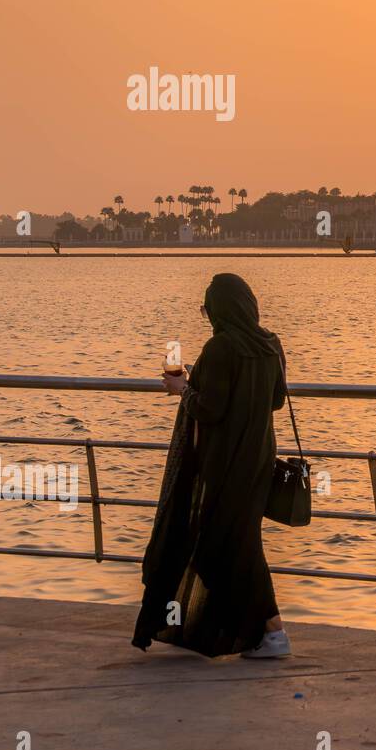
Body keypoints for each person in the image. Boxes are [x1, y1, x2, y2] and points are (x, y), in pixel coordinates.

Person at [132, 272, 292, 658]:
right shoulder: (271, 344)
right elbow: (276, 401)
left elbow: (210, 408)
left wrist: (183, 388)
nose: (206, 316)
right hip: (258, 459)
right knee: (238, 543)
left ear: (219, 309)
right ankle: (258, 631)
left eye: (207, 308)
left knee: (228, 548)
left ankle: (271, 632)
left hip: (223, 465)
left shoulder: (221, 349)